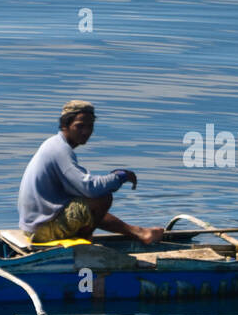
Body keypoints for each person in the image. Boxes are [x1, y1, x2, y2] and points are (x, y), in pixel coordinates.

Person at [17, 100, 164, 245]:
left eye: (90, 126)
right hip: (42, 230)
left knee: (88, 205)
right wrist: (120, 176)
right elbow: (90, 188)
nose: (86, 131)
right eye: (79, 126)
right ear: (65, 125)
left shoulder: (54, 144)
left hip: (34, 226)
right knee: (102, 198)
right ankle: (83, 244)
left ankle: (140, 232)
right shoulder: (60, 150)